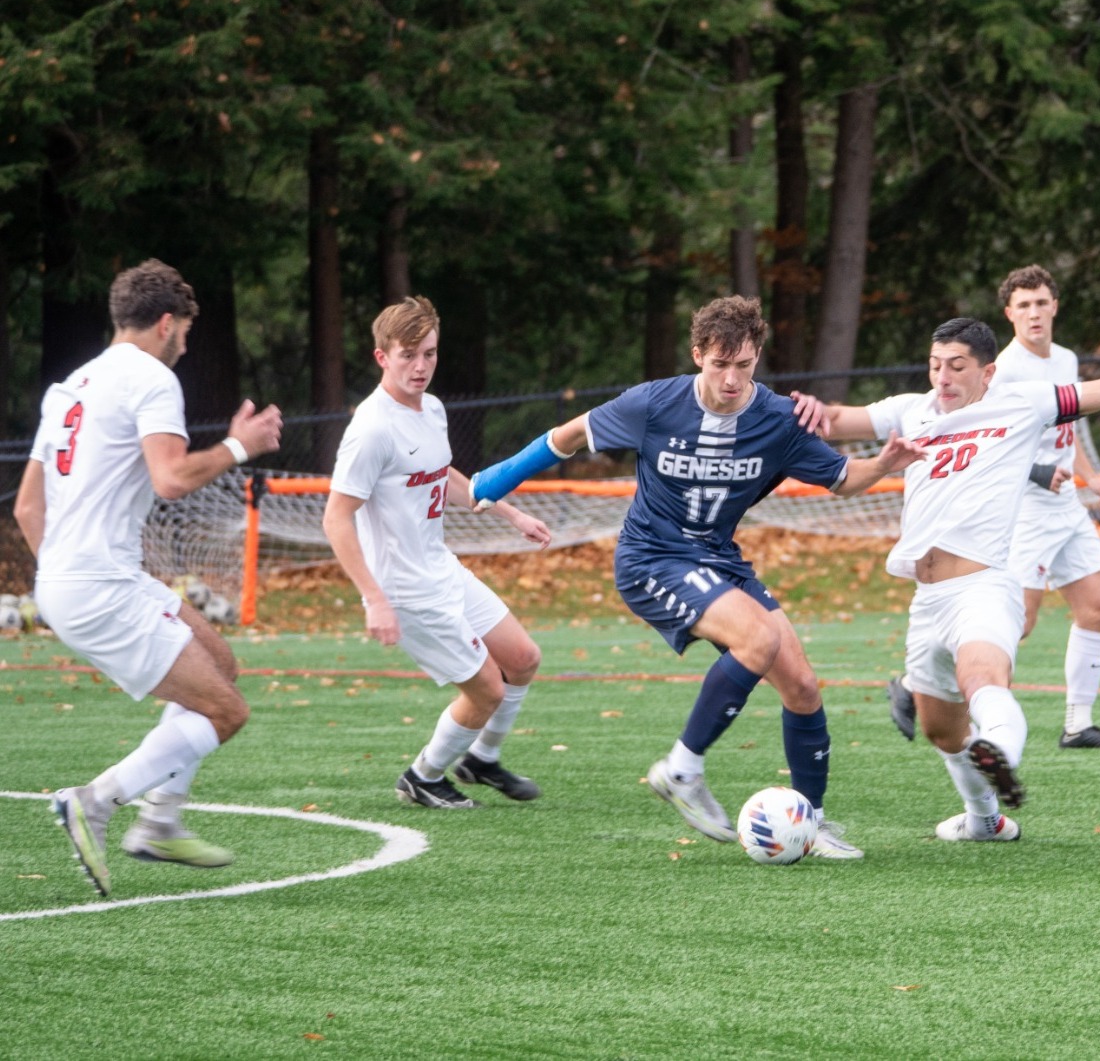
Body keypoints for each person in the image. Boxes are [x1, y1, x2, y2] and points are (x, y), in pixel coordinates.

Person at [470, 296, 923, 859]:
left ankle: (811, 823)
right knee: (759, 637)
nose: (732, 380)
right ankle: (682, 770)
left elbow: (842, 478)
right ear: (697, 355)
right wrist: (496, 479)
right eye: (719, 365)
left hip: (718, 559)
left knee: (802, 687)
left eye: (744, 366)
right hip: (650, 558)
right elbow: (566, 437)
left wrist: (882, 465)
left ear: (758, 357)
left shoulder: (778, 420)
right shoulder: (653, 403)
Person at [822, 318, 1100, 842]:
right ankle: (986, 820)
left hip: (984, 586)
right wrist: (773, 404)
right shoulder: (909, 411)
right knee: (942, 731)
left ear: (988, 372)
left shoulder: (1021, 404)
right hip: (927, 602)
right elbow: (831, 420)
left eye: (957, 366)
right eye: (935, 364)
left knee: (982, 679)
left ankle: (1002, 753)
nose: (942, 376)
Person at [17, 260, 283, 896]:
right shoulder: (151, 377)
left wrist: (67, 574)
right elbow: (169, 478)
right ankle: (97, 800)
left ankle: (159, 823)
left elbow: (29, 507)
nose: (185, 346)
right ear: (166, 324)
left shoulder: (70, 387)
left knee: (219, 663)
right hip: (98, 582)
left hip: (74, 577)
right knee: (226, 711)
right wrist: (240, 446)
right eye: (186, 334)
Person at [885, 265, 1100, 749]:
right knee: (1017, 621)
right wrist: (1039, 472)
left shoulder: (1065, 358)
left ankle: (1078, 724)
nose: (1034, 313)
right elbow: (980, 443)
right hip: (1019, 512)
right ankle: (924, 686)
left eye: (1041, 303)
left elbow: (1069, 426)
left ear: (1055, 306)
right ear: (1009, 314)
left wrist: (1088, 474)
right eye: (1023, 306)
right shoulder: (1002, 370)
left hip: (1065, 504)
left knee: (1097, 607)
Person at [323, 297, 551, 810]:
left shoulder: (432, 408)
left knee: (524, 658)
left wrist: (509, 513)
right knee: (487, 690)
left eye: (429, 353)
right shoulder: (371, 429)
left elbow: (437, 474)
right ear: (382, 357)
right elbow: (336, 518)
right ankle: (422, 776)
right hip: (404, 589)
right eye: (408, 355)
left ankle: (481, 760)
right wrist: (374, 599)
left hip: (440, 566)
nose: (421, 366)